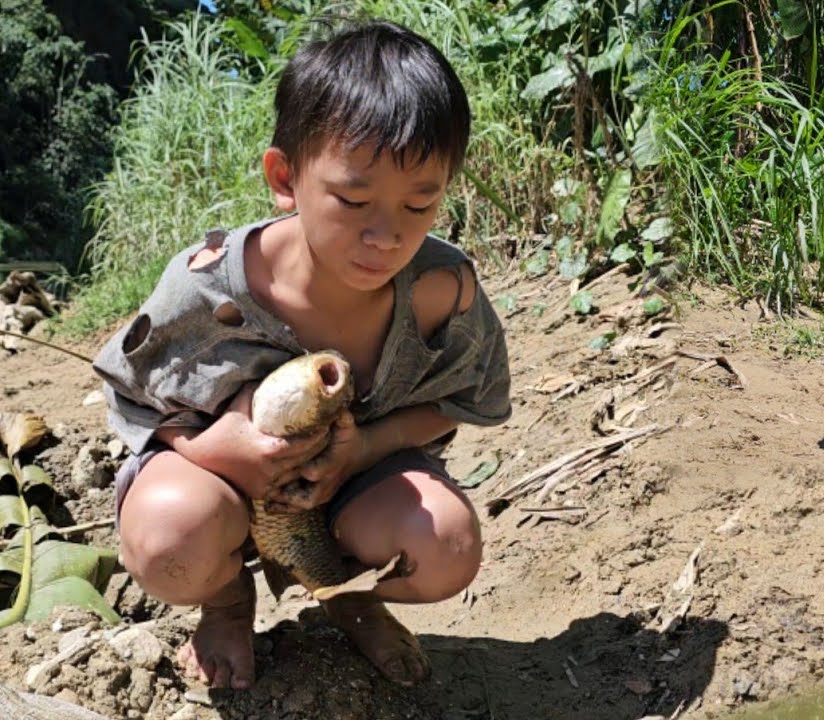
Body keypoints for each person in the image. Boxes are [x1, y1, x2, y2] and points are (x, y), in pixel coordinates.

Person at [92, 22, 511, 689]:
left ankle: (351, 600)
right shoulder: (208, 284)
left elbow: (457, 401)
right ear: (285, 177)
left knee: (448, 547)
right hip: (215, 485)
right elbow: (135, 399)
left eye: (421, 201)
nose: (387, 233)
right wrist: (213, 451)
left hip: (358, 487)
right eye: (353, 199)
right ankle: (227, 600)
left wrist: (364, 449)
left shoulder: (442, 291)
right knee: (169, 540)